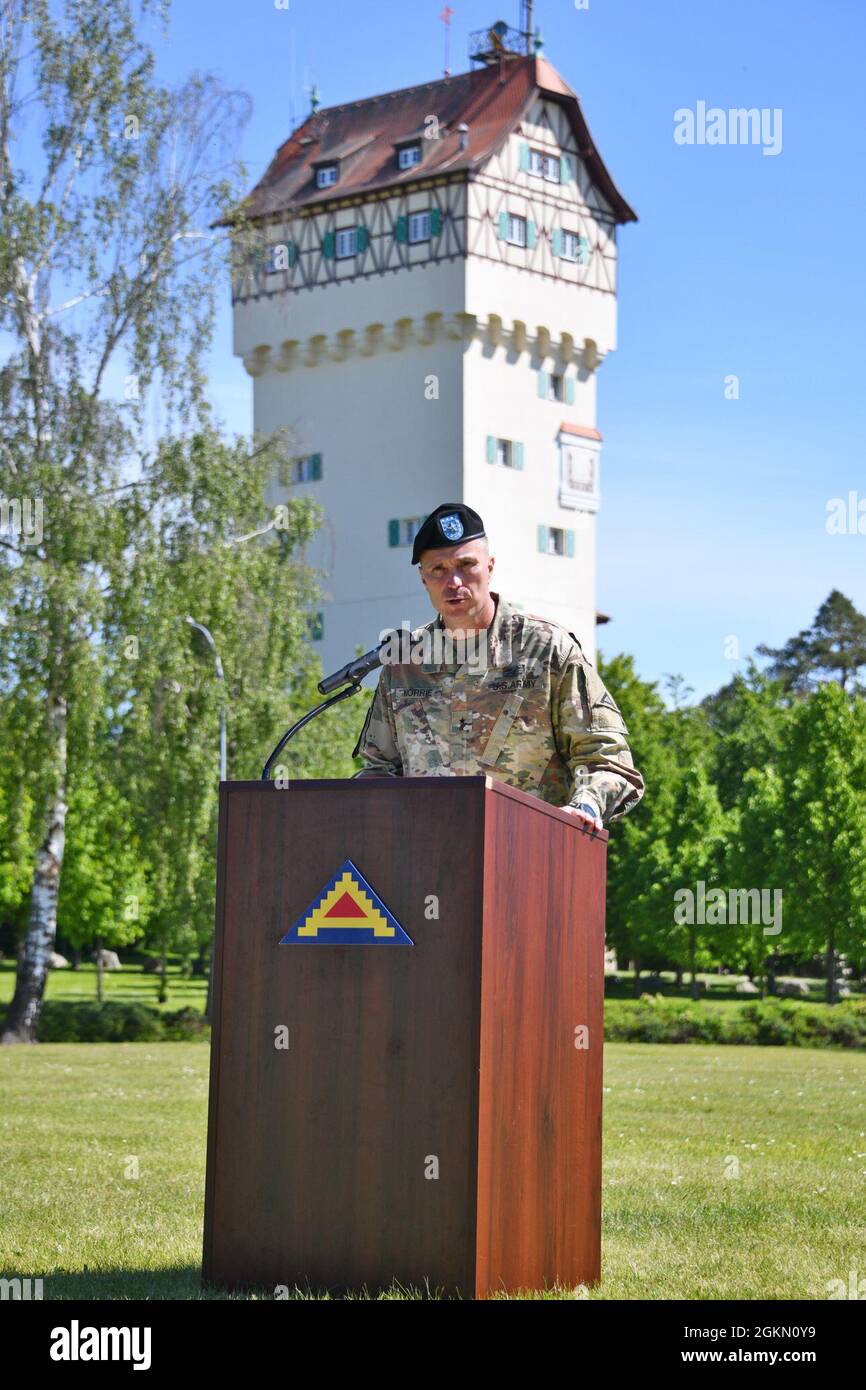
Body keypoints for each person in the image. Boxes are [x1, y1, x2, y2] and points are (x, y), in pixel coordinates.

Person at [351, 502, 645, 830]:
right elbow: (378, 771)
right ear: (423, 579)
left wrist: (585, 807)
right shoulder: (404, 664)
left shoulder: (547, 651)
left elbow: (606, 761)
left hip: (530, 853)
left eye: (466, 564)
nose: (454, 581)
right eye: (439, 570)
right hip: (426, 863)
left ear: (490, 567)